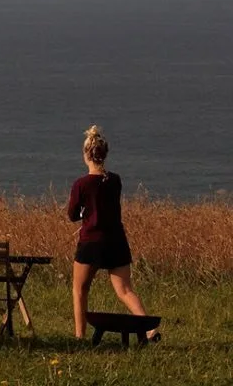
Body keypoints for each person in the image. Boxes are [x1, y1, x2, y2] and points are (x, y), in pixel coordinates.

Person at [67, 125, 158, 341]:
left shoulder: (81, 184)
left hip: (91, 241)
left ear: (86, 155)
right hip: (117, 240)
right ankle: (149, 327)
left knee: (80, 290)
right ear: (104, 154)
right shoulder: (114, 180)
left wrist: (85, 212)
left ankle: (80, 336)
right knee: (125, 290)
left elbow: (72, 214)